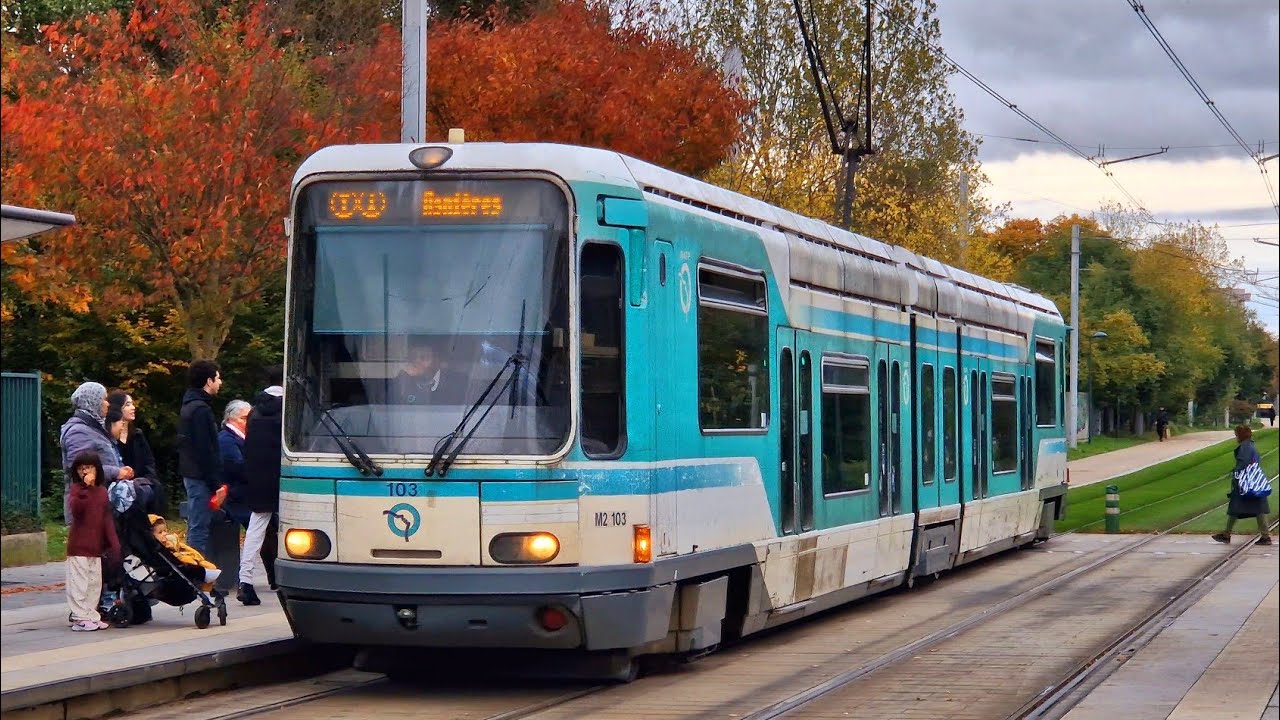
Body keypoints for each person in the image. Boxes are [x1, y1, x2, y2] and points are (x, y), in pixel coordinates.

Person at [238, 366, 284, 604]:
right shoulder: (290, 409)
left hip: (257, 477)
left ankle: (245, 580)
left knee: (256, 529)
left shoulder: (255, 411)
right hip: (284, 477)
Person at [60, 382, 134, 525]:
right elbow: (81, 470)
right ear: (92, 401)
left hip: (100, 507)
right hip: (87, 510)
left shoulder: (94, 427)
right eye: (103, 399)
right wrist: (116, 472)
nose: (107, 404)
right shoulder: (78, 431)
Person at [66, 451, 121, 632]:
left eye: (88, 467)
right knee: (79, 583)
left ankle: (91, 614)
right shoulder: (77, 490)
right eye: (81, 469)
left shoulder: (102, 492)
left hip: (95, 547)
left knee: (94, 583)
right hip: (79, 546)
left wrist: (114, 544)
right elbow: (77, 510)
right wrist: (85, 488)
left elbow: (107, 520)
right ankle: (79, 617)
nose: (85, 472)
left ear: (97, 469)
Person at [177, 360, 224, 556]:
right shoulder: (201, 410)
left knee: (198, 525)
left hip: (192, 473)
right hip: (200, 477)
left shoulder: (189, 406)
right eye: (218, 378)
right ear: (208, 381)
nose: (220, 382)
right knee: (199, 528)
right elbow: (206, 450)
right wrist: (215, 483)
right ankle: (196, 574)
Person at [1212, 424, 1272, 546]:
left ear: (1240, 435)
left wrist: (1235, 472)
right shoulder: (1251, 445)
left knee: (1236, 507)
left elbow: (1243, 462)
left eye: (1236, 434)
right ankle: (1228, 533)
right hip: (1254, 482)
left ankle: (1228, 534)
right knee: (1256, 509)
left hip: (1246, 484)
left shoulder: (1245, 447)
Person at [108, 391, 163, 515]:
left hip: (142, 487)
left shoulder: (137, 435)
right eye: (127, 404)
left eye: (132, 404)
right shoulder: (108, 438)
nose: (133, 407)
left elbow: (149, 461)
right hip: (120, 491)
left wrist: (149, 480)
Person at [148, 515, 221, 592]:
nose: (165, 534)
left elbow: (187, 549)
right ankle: (205, 590)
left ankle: (207, 591)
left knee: (209, 567)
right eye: (160, 532)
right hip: (180, 566)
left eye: (165, 530)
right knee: (204, 571)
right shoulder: (158, 548)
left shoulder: (170, 541)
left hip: (189, 560)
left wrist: (197, 558)